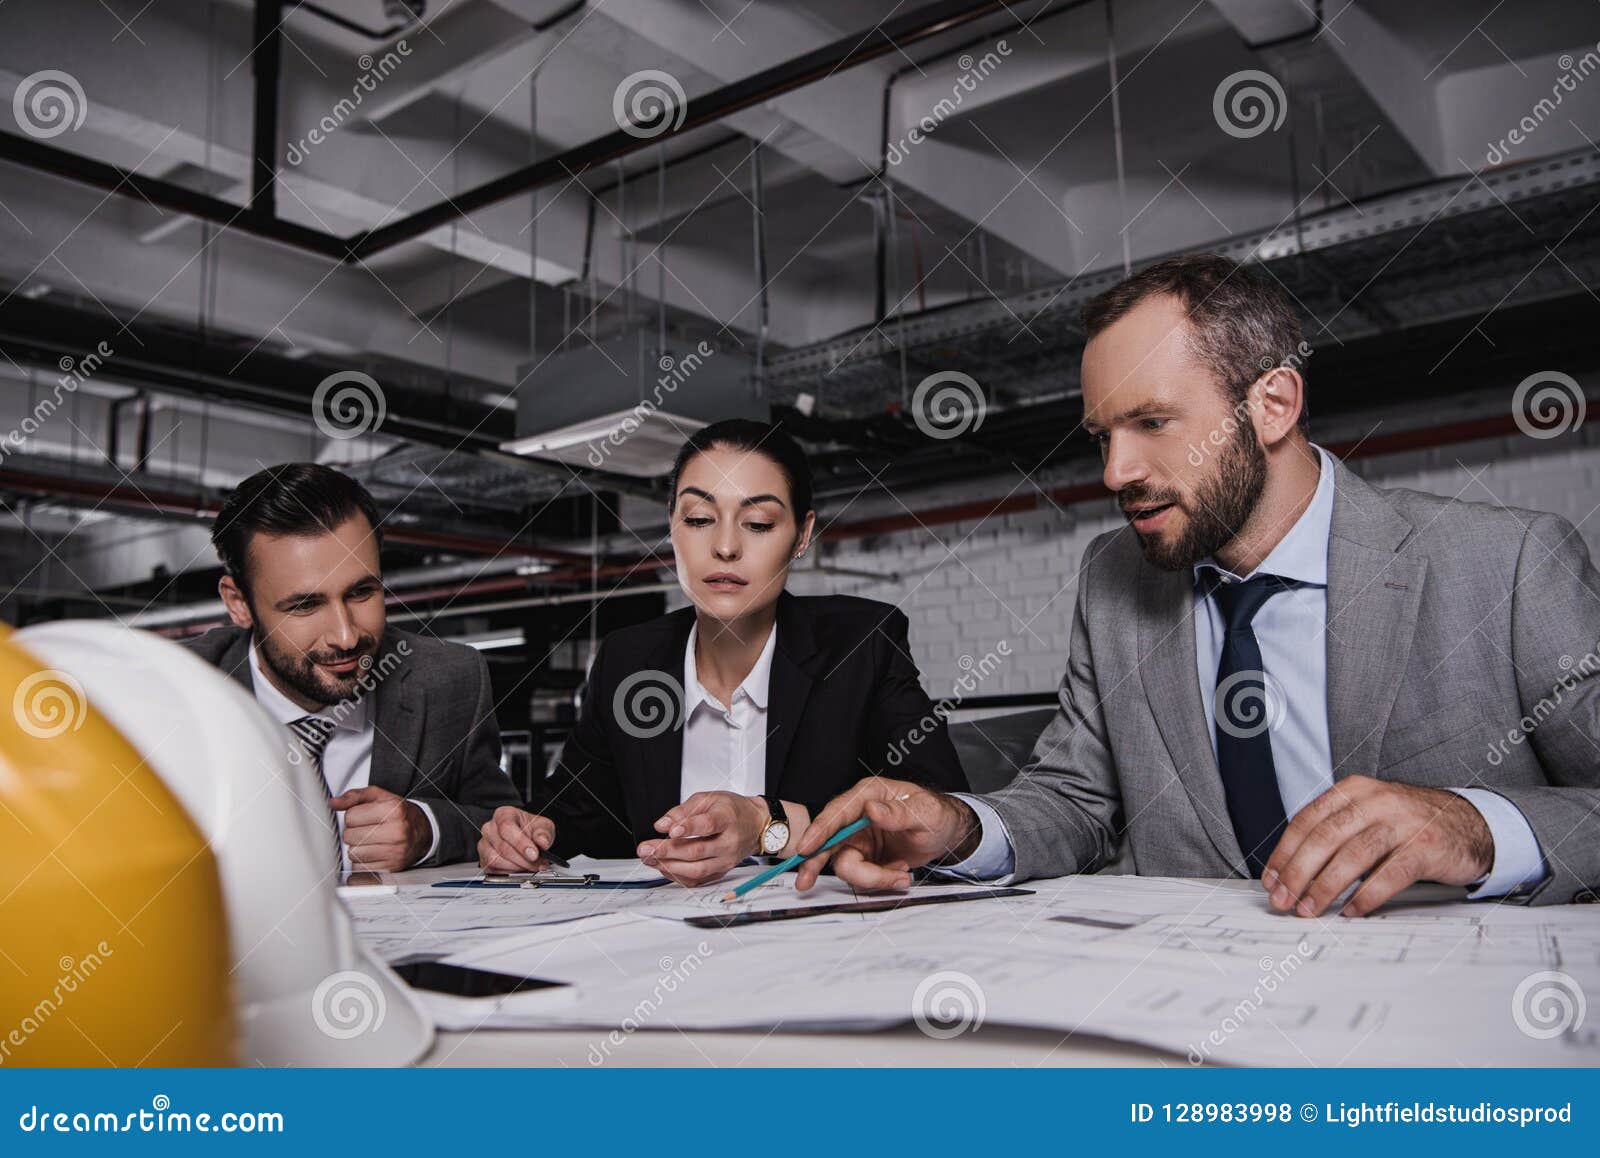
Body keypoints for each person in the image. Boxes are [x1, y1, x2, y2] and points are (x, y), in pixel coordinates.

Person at [796, 253, 1600, 915]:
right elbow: (1076, 799)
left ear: (1274, 403)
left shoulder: (1508, 563)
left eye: (1151, 424)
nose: (1116, 471)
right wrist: (958, 828)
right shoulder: (1112, 577)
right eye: (1102, 436)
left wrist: (1480, 828)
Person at [478, 419, 969, 886]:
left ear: (801, 535)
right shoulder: (630, 660)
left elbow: (943, 816)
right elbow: (578, 812)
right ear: (671, 527)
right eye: (698, 518)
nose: (726, 546)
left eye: (757, 523)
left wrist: (767, 824)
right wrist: (525, 834)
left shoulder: (860, 645)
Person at [185, 463, 521, 872]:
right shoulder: (171, 689)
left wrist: (428, 830)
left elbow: (503, 825)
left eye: (362, 592)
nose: (345, 637)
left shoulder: (451, 678)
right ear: (238, 603)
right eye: (305, 605)